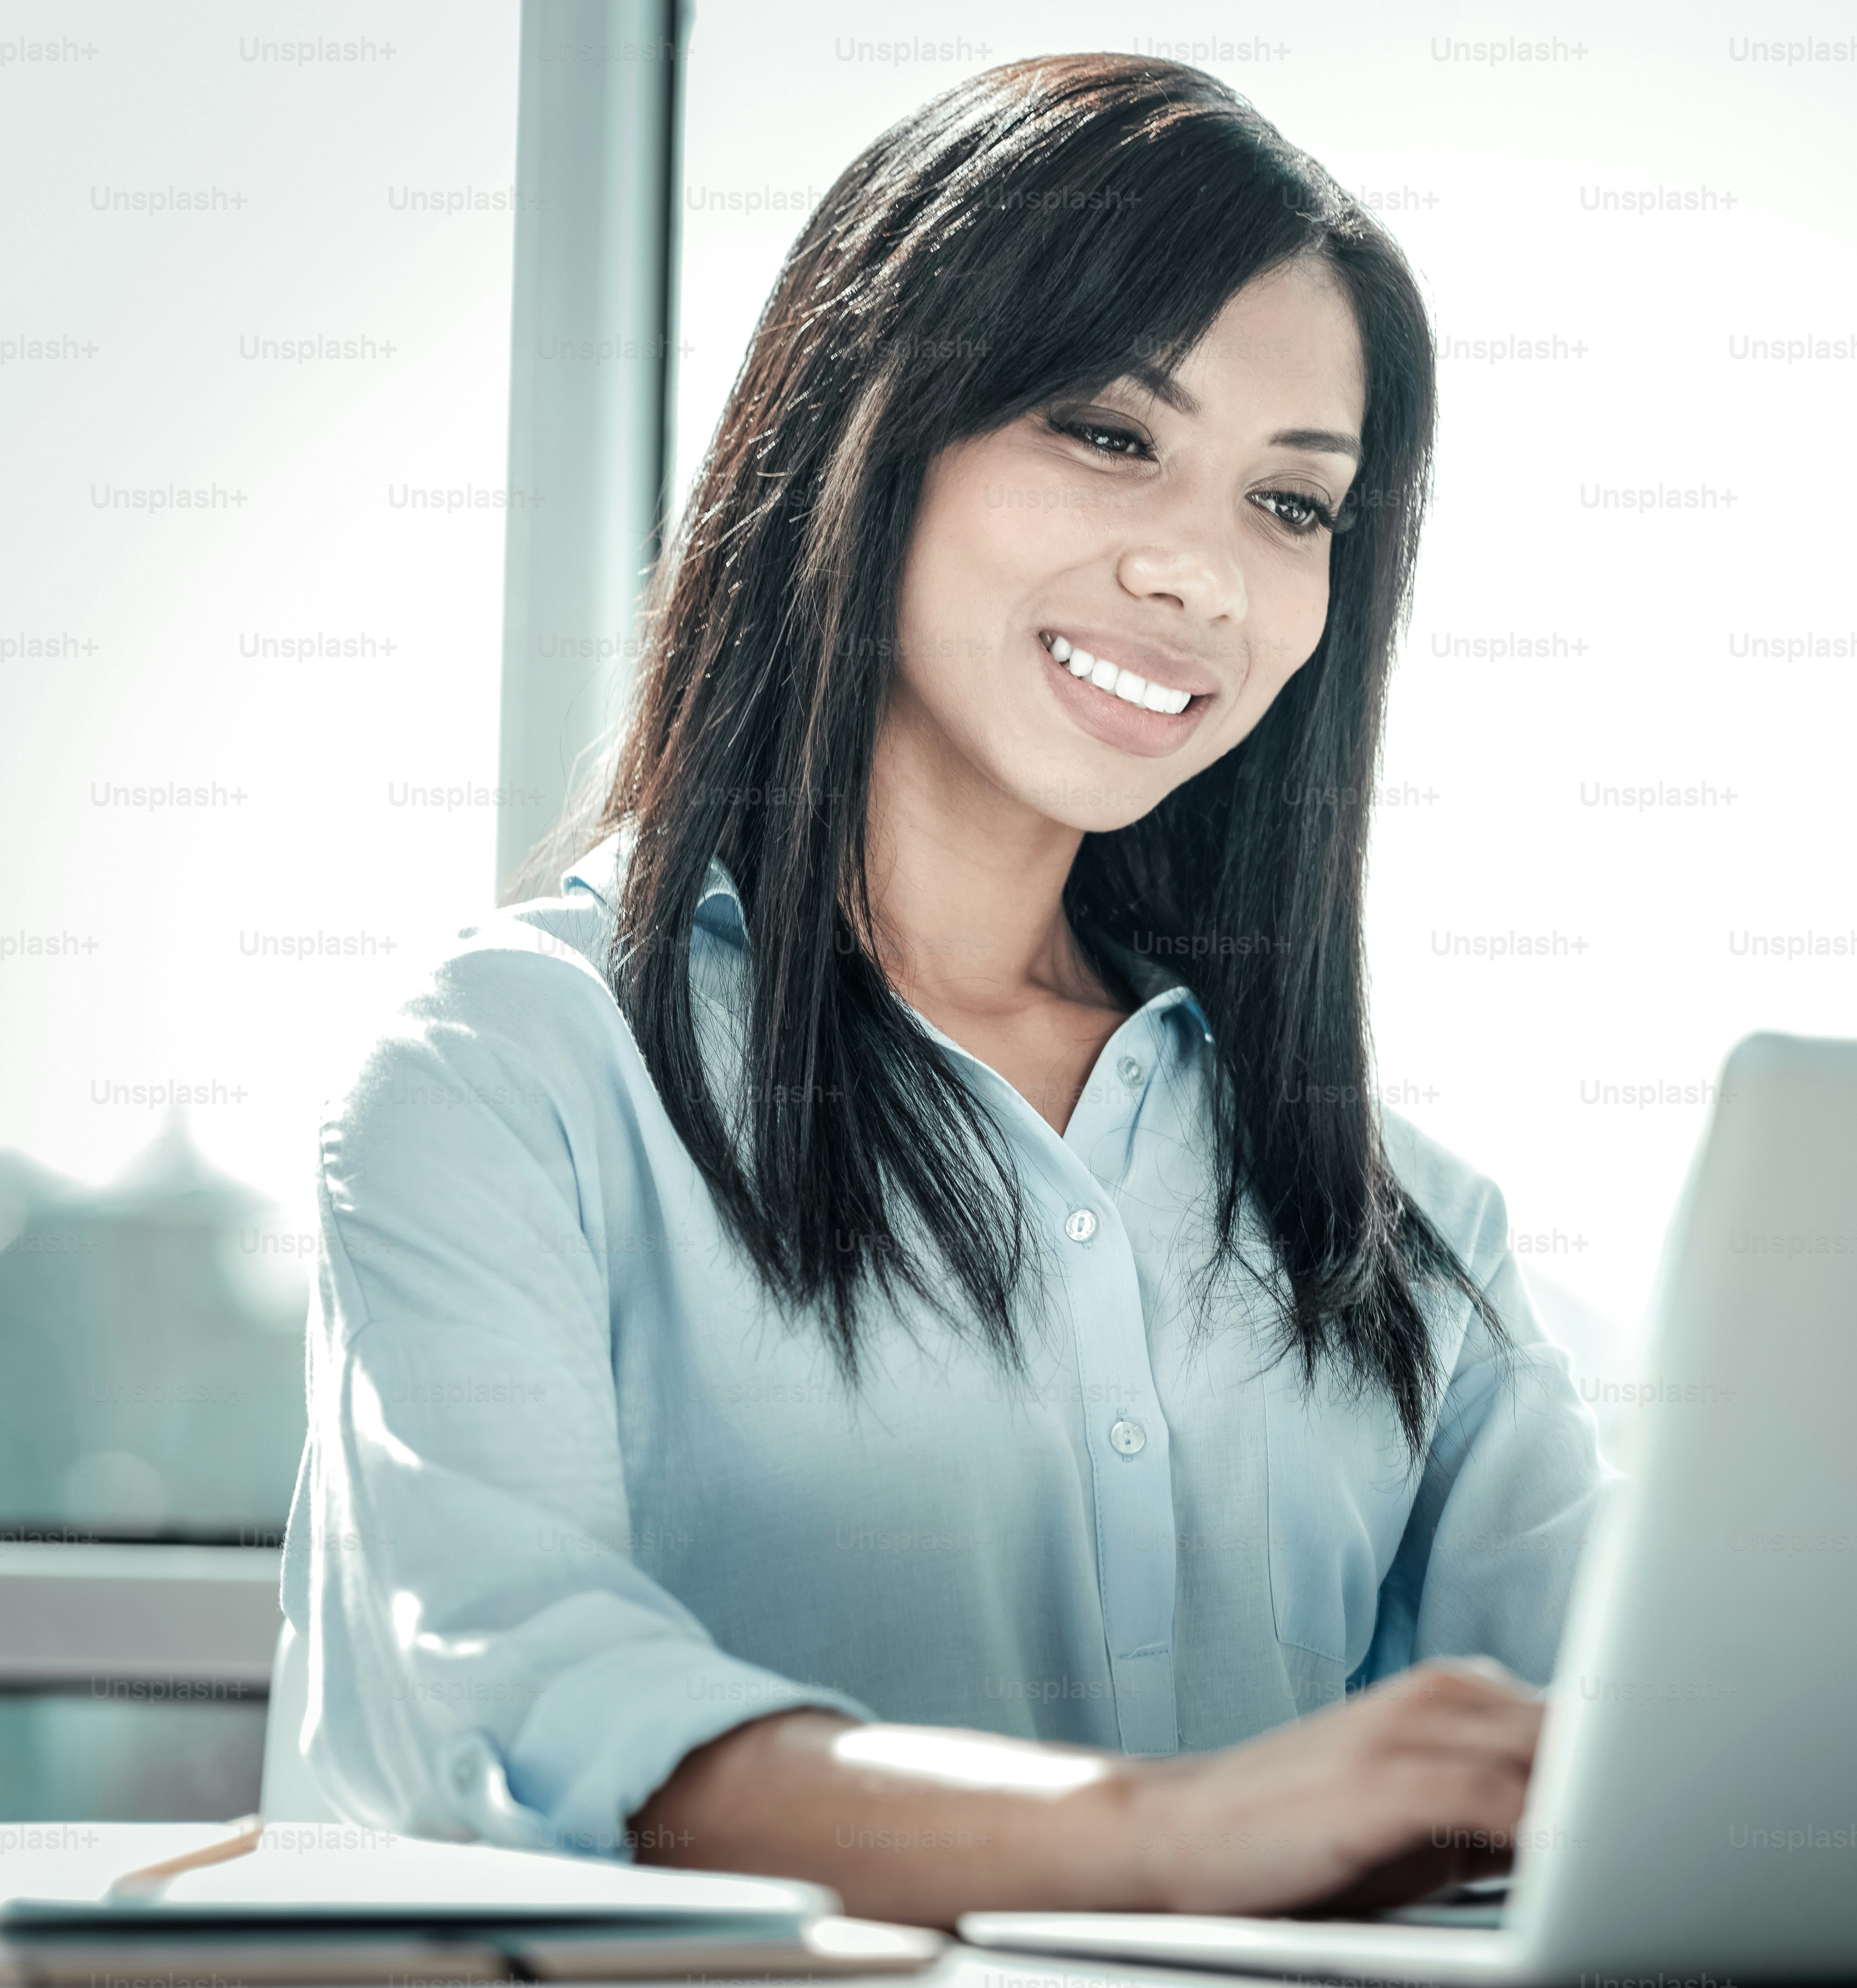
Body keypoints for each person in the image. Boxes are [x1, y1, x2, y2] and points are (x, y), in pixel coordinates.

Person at [281, 52, 1606, 1929]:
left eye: (1293, 508)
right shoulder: (515, 1074)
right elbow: (517, 1707)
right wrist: (1171, 1836)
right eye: (1109, 433)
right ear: (865, 430)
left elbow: (1625, 1763)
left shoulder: (1401, 1222)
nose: (1200, 573)